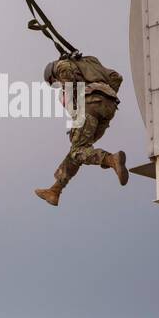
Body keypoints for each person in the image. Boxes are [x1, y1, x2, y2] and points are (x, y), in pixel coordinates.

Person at [34, 55, 128, 206]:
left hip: (90, 105)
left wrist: (78, 108)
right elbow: (116, 77)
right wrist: (106, 93)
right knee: (78, 152)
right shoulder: (91, 62)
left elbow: (65, 72)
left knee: (78, 151)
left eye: (54, 82)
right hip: (109, 107)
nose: (57, 84)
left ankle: (110, 159)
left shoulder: (60, 66)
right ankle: (55, 190)